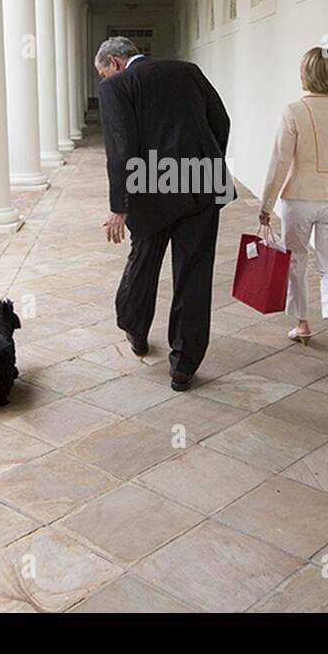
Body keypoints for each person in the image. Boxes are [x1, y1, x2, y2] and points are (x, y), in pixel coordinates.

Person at [96, 36, 231, 390]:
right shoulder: (188, 70)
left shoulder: (116, 87)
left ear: (115, 61)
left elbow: (120, 150)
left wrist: (119, 207)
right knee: (194, 271)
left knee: (143, 260)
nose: (103, 78)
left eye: (103, 71)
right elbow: (221, 121)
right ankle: (184, 366)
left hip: (149, 187)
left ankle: (135, 330)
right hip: (200, 184)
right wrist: (206, 163)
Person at [259, 46, 328, 372]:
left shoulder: (294, 111)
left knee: (297, 260)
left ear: (305, 74)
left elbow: (280, 161)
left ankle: (302, 324)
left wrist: (266, 203)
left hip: (300, 196)